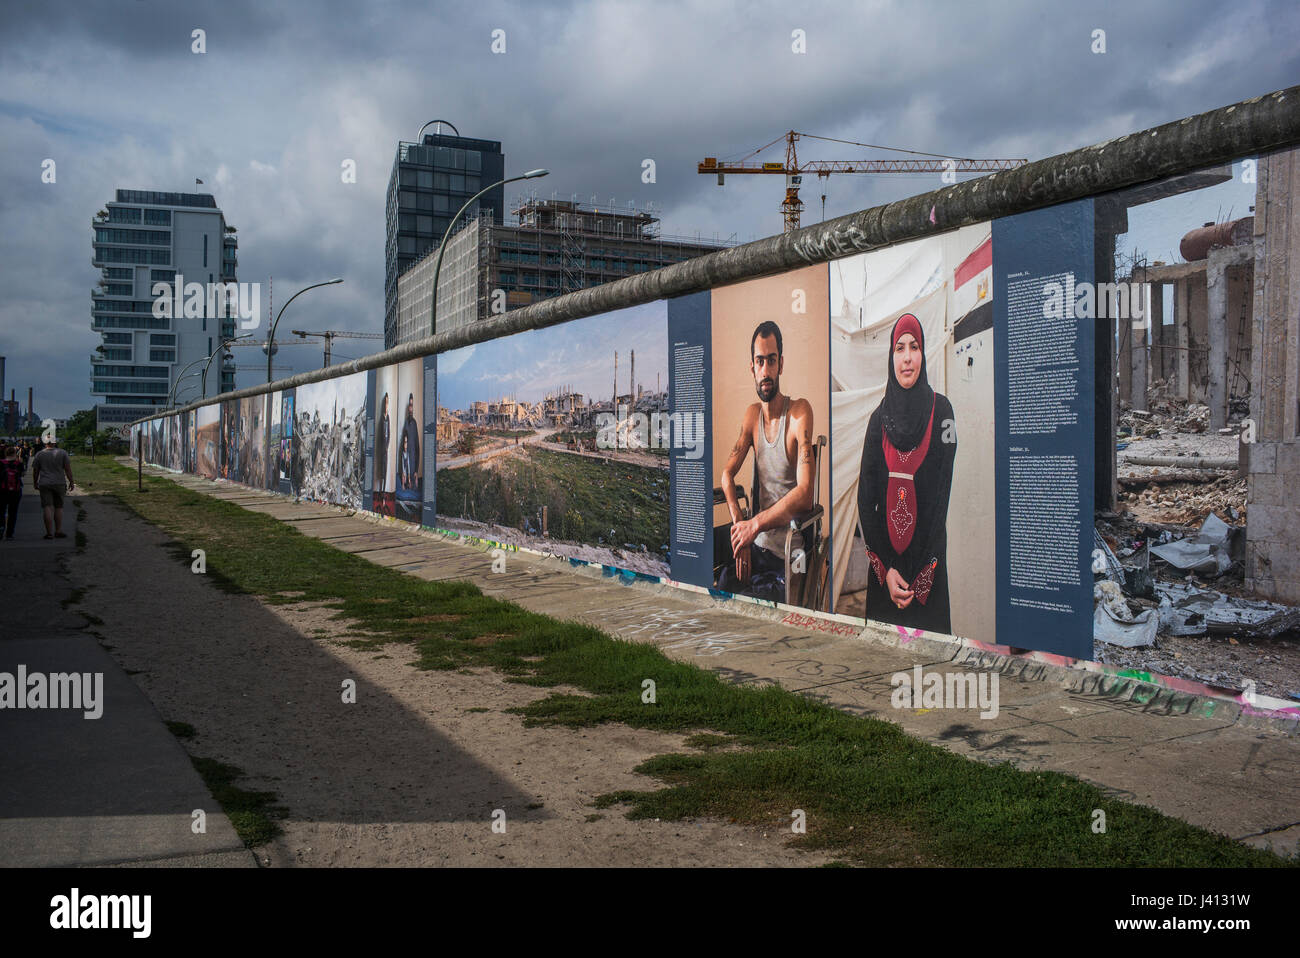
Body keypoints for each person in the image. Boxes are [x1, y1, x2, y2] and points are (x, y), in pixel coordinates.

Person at [857, 313, 956, 633]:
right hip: (886, 574)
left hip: (927, 569)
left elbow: (942, 500)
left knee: (929, 666)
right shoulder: (876, 421)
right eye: (899, 348)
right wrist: (885, 571)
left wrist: (919, 576)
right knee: (883, 671)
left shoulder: (944, 414)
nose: (908, 357)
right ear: (891, 357)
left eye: (914, 347)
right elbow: (864, 501)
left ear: (923, 354)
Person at [716, 320, 815, 602]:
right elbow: (726, 475)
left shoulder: (799, 413)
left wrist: (753, 525)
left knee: (755, 602)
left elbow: (806, 495)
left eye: (772, 361)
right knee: (723, 586)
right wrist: (740, 527)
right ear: (752, 368)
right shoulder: (751, 416)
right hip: (756, 547)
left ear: (781, 364)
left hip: (788, 553)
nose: (766, 371)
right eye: (760, 362)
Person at [31, 437, 75, 540]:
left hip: (45, 483)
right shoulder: (63, 453)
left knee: (47, 507)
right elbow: (68, 469)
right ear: (55, 442)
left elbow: (35, 471)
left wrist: (35, 482)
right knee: (58, 507)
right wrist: (71, 481)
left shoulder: (39, 454)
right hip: (59, 483)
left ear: (45, 443)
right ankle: (58, 531)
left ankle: (49, 533)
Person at [1, 446, 24, 539]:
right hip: (15, 491)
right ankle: (9, 534)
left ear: (5, 454)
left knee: (1, 511)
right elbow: (22, 474)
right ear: (15, 454)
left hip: (2, 491)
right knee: (13, 512)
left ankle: (1, 528)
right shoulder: (18, 464)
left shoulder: (1, 463)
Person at [401, 393, 420, 489]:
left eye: (412, 406)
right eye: (409, 406)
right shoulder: (406, 423)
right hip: (406, 459)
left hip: (413, 459)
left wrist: (416, 469)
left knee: (413, 484)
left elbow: (417, 447)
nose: (410, 409)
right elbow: (403, 446)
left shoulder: (414, 423)